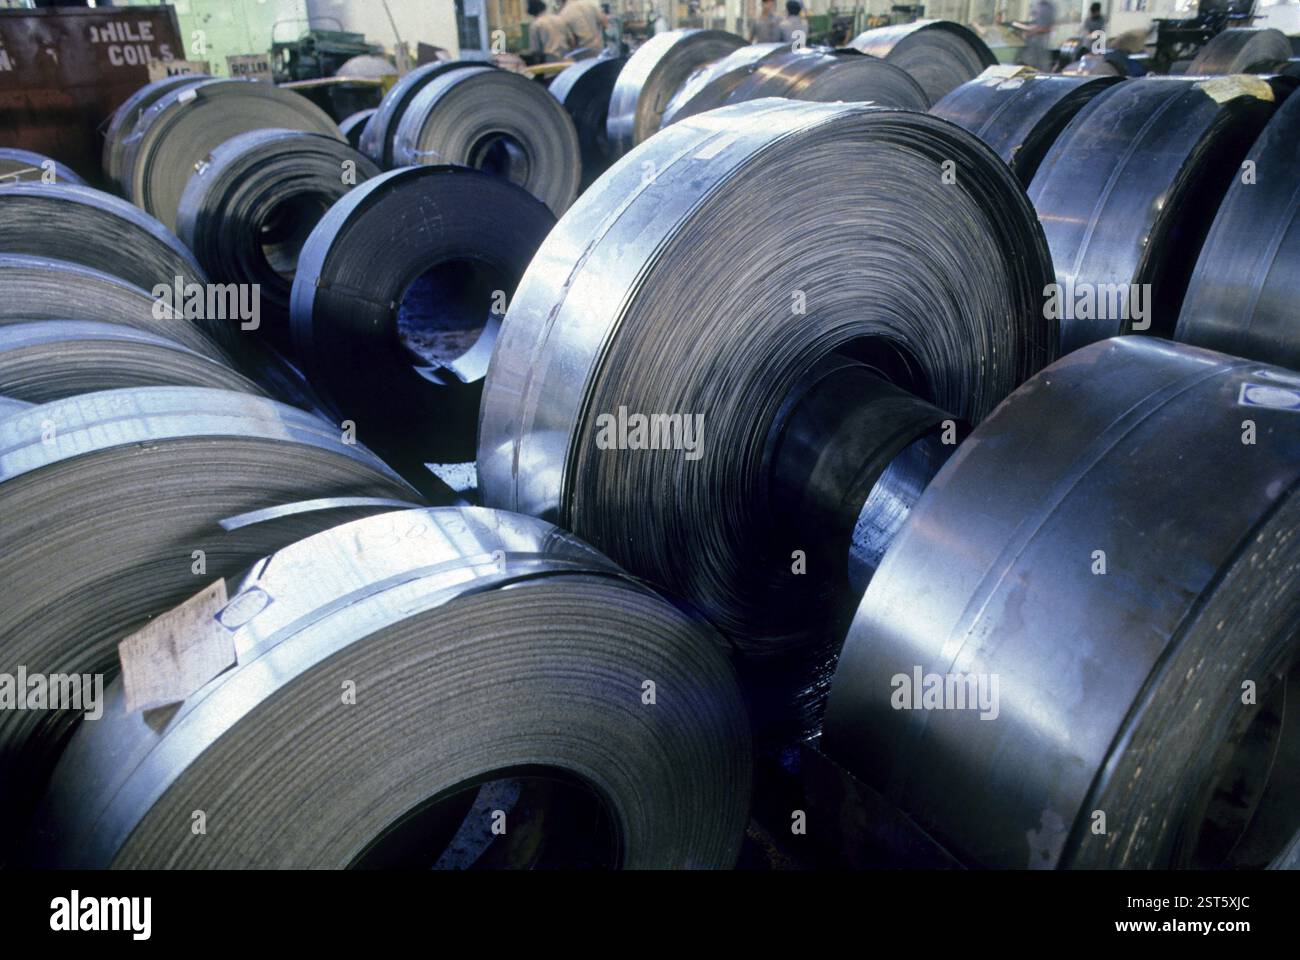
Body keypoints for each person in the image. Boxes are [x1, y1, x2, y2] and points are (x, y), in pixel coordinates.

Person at [1013, 0, 1057, 71]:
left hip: (1039, 49)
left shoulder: (1047, 7)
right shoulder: (1035, 4)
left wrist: (1028, 30)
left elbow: (1047, 28)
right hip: (1026, 49)